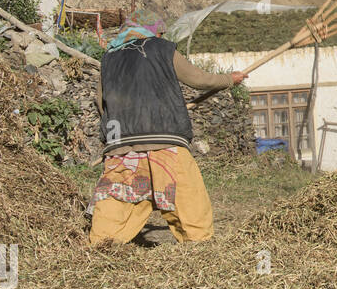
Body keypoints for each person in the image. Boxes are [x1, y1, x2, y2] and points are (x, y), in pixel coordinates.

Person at [87, 14, 247, 245]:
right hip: (164, 141)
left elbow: (101, 102)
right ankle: (198, 243)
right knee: (185, 195)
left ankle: (103, 242)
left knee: (117, 198)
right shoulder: (161, 48)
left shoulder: (109, 57)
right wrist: (229, 79)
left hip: (120, 145)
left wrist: (119, 132)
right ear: (155, 31)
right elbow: (197, 78)